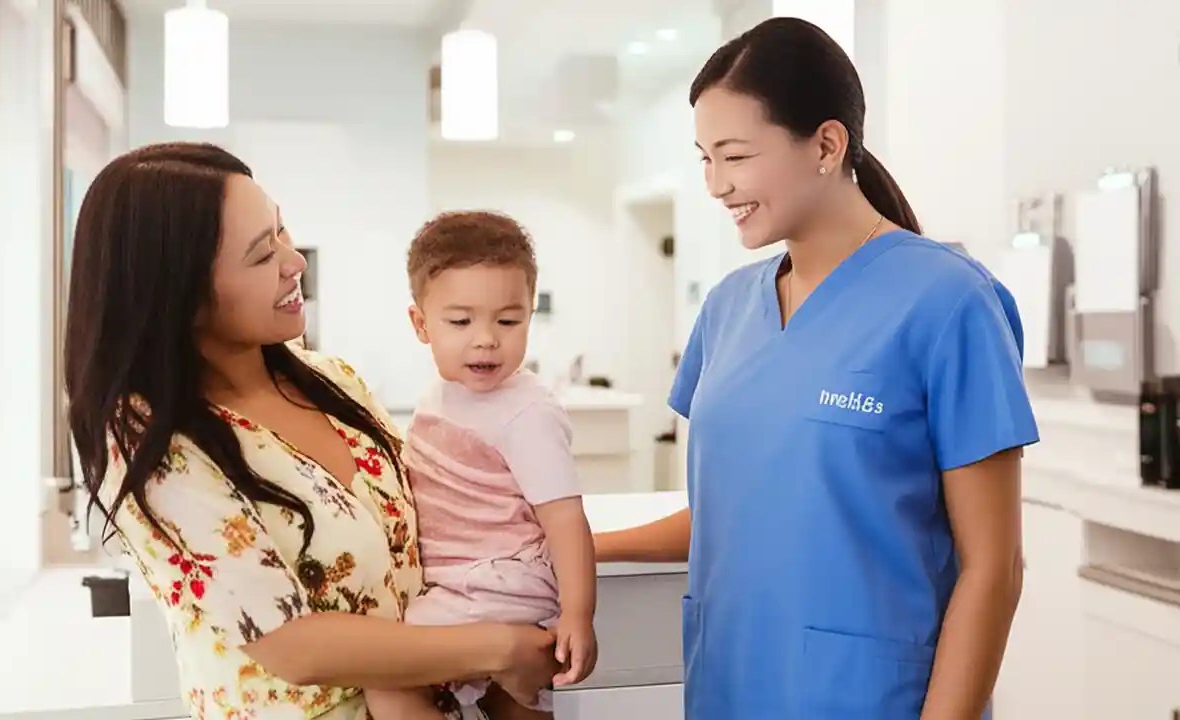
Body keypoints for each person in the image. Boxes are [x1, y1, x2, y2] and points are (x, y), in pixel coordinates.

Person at [594, 17, 1037, 720]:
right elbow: (731, 513)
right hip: (729, 688)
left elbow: (995, 568)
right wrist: (579, 544)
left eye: (735, 156)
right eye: (705, 158)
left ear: (827, 145)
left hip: (872, 700)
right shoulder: (728, 309)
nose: (715, 184)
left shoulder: (949, 303)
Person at [64, 142, 559, 720]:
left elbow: (435, 529)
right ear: (180, 292)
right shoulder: (151, 443)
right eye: (261, 254)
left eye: (281, 231)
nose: (294, 261)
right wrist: (500, 647)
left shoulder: (332, 381)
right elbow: (292, 645)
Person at [365, 211, 598, 720]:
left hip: (496, 584)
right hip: (464, 582)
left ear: (530, 315)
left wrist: (579, 614)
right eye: (461, 322)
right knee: (512, 706)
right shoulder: (439, 395)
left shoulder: (527, 413)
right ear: (420, 324)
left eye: (508, 321)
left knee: (384, 679)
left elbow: (565, 518)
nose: (487, 338)